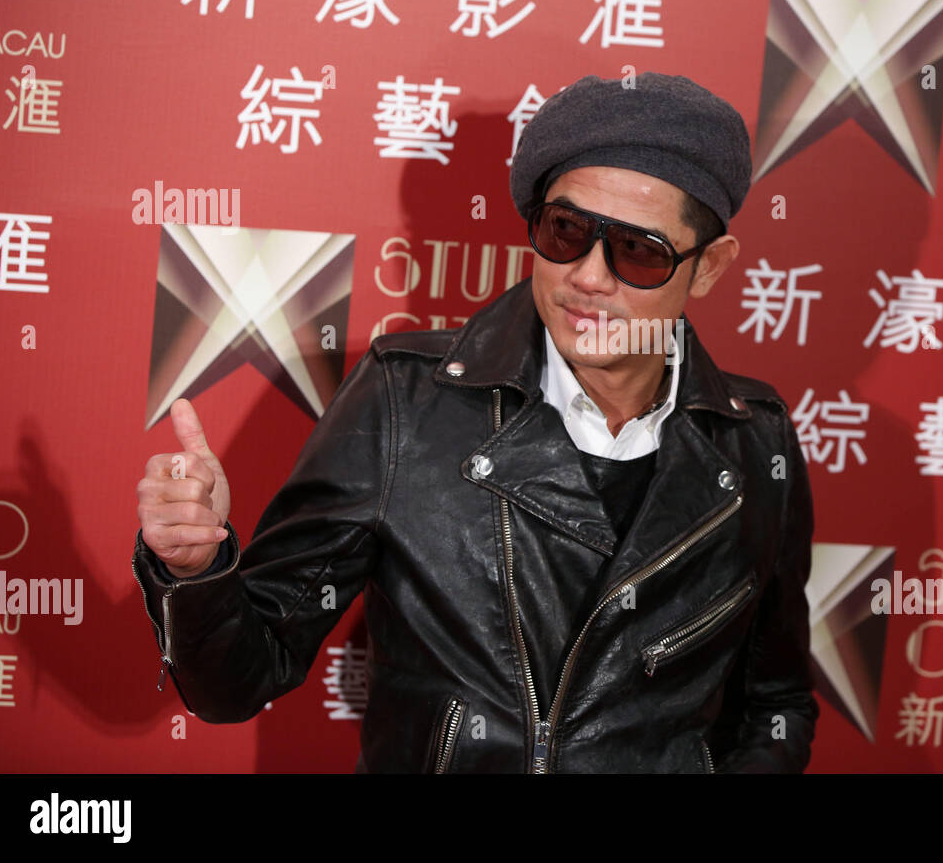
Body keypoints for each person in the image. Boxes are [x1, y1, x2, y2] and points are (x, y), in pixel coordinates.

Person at [132, 72, 819, 773]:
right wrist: (198, 568)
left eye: (638, 252)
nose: (588, 275)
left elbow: (776, 703)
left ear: (708, 268)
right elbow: (239, 679)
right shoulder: (408, 400)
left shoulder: (755, 441)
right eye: (567, 231)